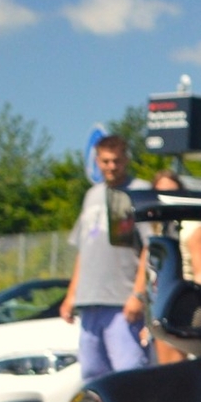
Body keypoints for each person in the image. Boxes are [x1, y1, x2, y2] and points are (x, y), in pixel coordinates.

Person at [61, 134, 150, 380]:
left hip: (121, 302)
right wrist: (71, 295)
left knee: (128, 372)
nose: (111, 167)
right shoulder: (92, 195)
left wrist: (138, 295)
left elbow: (150, 247)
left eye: (116, 161)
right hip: (90, 300)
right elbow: (84, 249)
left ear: (126, 160)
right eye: (105, 161)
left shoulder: (139, 192)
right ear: (97, 161)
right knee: (92, 373)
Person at [145, 169, 201, 364]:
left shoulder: (192, 227)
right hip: (159, 308)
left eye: (172, 192)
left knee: (175, 369)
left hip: (182, 311)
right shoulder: (158, 228)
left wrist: (192, 317)